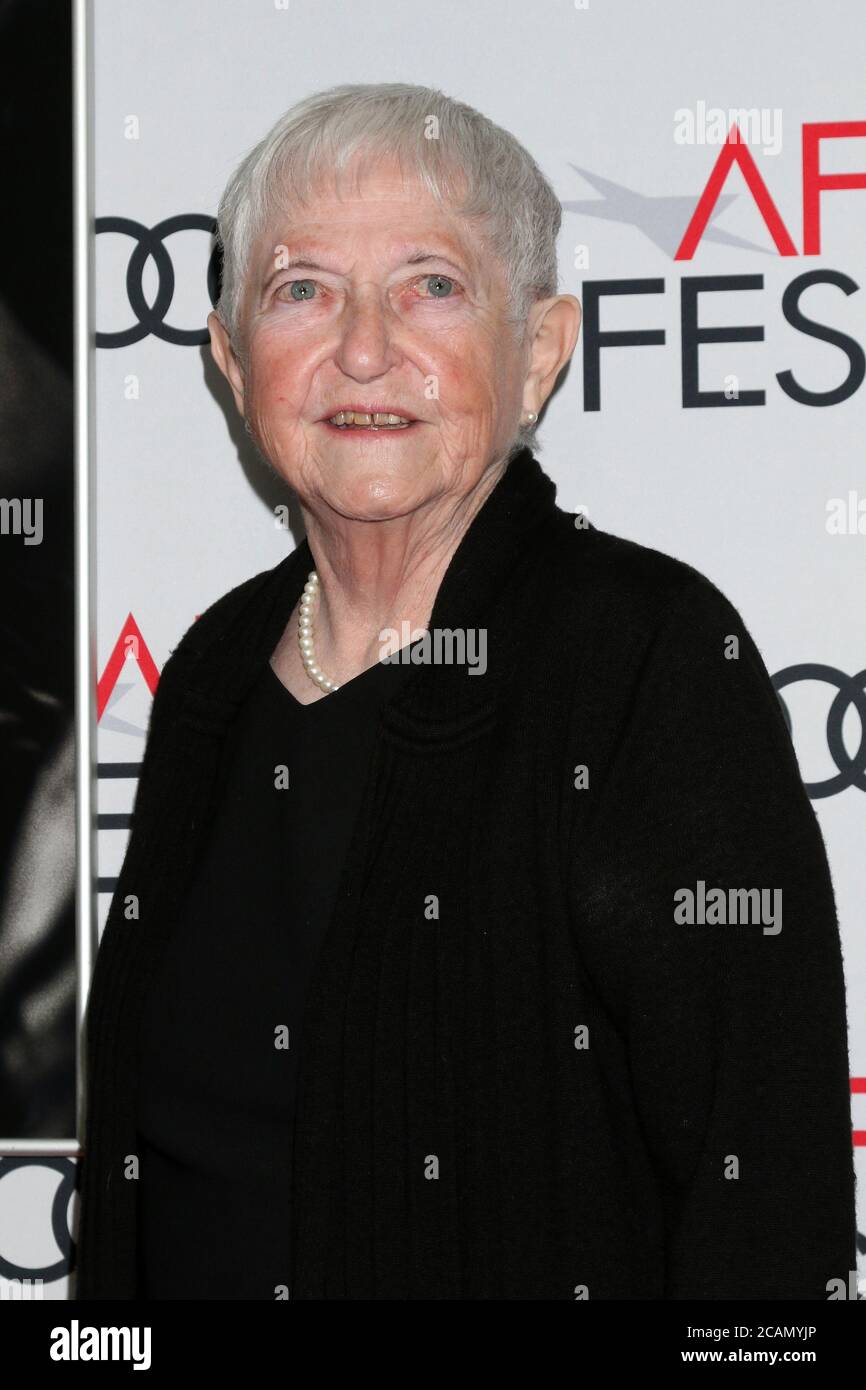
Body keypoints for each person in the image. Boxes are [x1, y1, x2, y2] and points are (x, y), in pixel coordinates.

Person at [75, 82, 857, 1300]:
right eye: (301, 290)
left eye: (430, 284)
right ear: (233, 362)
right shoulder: (212, 676)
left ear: (538, 347)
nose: (365, 347)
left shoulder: (639, 659)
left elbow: (761, 1189)